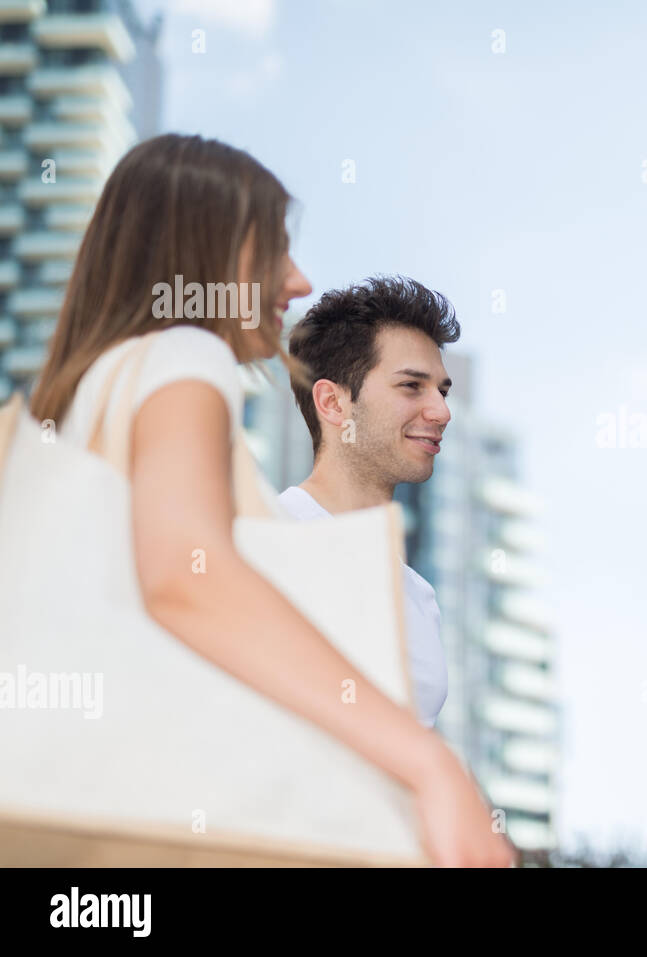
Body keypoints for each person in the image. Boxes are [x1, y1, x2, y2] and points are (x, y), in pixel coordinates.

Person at [29, 133, 513, 868]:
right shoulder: (184, 356)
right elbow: (187, 579)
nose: (297, 279)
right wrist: (430, 764)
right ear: (212, 252)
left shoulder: (98, 389)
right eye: (276, 249)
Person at [279, 276, 454, 730]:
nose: (441, 412)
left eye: (443, 391)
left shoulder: (419, 597)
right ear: (333, 403)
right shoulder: (266, 539)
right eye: (412, 386)